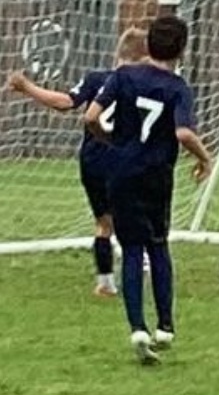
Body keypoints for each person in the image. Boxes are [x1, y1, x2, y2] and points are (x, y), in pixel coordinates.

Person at [84, 15, 213, 365]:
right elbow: (183, 134)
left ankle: (138, 328)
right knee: (157, 245)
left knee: (130, 247)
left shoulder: (123, 76)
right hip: (157, 175)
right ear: (182, 50)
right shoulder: (177, 87)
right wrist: (206, 157)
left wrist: (110, 140)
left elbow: (91, 117)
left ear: (149, 45)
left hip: (121, 172)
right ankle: (166, 325)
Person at [6, 25, 149, 297]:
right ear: (145, 58)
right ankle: (141, 261)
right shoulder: (146, 85)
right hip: (124, 159)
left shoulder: (97, 79)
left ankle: (105, 283)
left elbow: (65, 102)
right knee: (135, 216)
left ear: (118, 53)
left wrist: (28, 87)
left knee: (104, 224)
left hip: (93, 160)